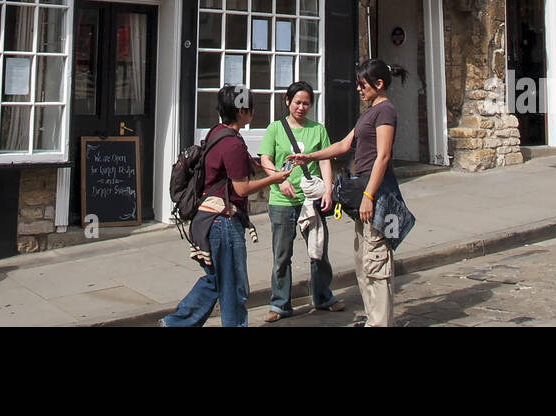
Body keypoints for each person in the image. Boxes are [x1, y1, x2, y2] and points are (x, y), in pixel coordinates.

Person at [289, 58, 407, 327]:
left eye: (362, 84)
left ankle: (380, 324)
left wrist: (368, 196)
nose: (357, 89)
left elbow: (384, 155)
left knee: (376, 263)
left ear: (379, 84)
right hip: (362, 194)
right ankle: (372, 320)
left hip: (375, 196)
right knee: (363, 261)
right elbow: (344, 144)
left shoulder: (385, 111)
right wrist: (310, 157)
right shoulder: (370, 112)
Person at [162, 85, 291, 327]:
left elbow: (228, 168)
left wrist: (265, 167)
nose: (252, 110)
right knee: (233, 288)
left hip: (207, 220)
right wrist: (274, 179)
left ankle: (174, 323)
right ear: (242, 111)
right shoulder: (232, 144)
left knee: (215, 281)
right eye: (249, 106)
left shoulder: (217, 133)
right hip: (223, 222)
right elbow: (241, 189)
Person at [259, 81, 343, 321]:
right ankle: (279, 304)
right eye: (297, 102)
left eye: (306, 103)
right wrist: (278, 180)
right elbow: (266, 158)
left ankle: (323, 297)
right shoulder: (275, 128)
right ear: (288, 102)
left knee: (318, 250)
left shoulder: (318, 129)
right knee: (282, 254)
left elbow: (325, 160)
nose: (302, 107)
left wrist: (328, 190)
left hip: (311, 200)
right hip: (282, 200)